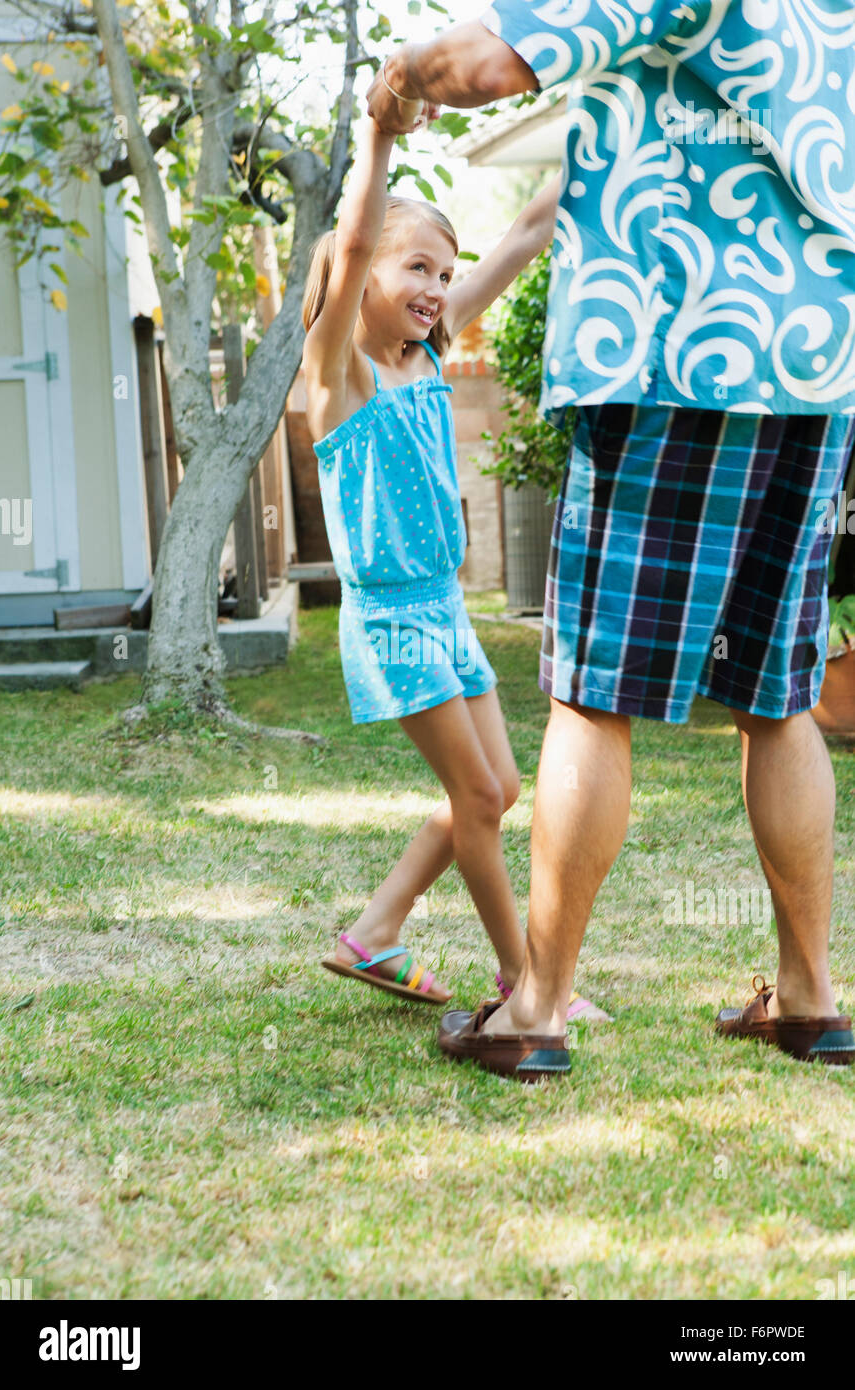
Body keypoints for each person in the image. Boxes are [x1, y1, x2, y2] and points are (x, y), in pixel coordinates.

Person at [366, 2, 855, 1080]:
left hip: (670, 336)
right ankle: (810, 997)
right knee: (776, 692)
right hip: (819, 350)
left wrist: (394, 79)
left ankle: (534, 1008)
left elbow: (490, 63)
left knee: (595, 690)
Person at [303, 111, 606, 1020]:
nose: (436, 288)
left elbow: (522, 234)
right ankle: (526, 982)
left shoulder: (430, 356)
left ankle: (376, 930)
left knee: (500, 789)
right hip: (393, 619)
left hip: (446, 612)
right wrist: (378, 137)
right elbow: (355, 238)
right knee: (476, 793)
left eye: (443, 271)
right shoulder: (340, 376)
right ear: (361, 281)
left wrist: (608, 124)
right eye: (417, 270)